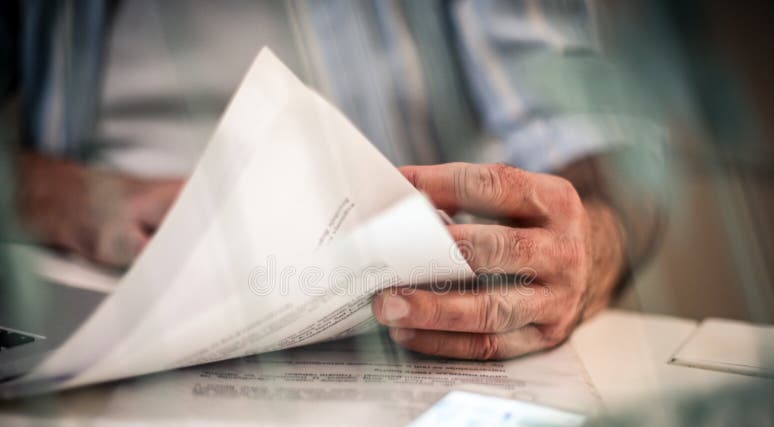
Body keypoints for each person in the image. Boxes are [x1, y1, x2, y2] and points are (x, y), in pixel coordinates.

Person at [0, 0, 661, 360]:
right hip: (86, 295)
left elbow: (609, 150)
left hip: (393, 335)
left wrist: (588, 245)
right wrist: (39, 190)